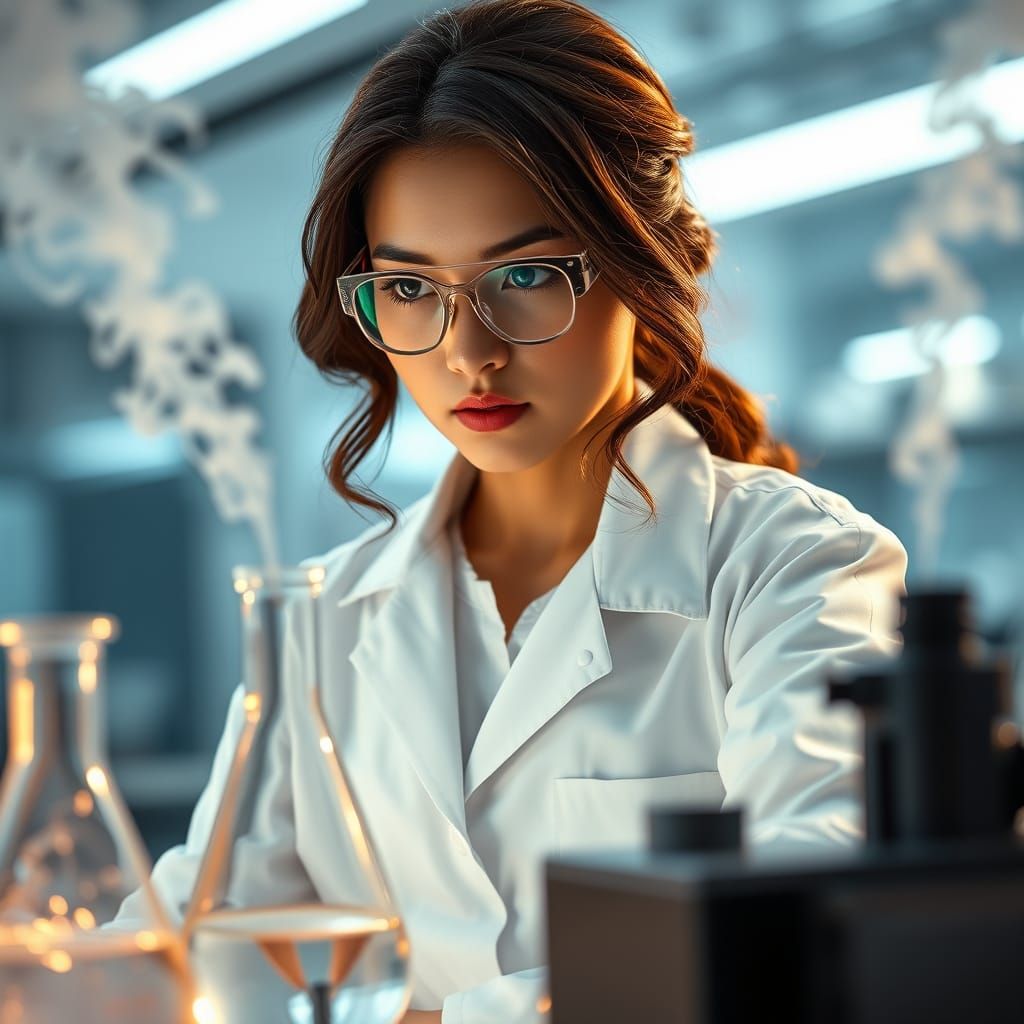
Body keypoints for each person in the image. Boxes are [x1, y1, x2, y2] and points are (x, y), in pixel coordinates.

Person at [143, 1, 909, 1021]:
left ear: (643, 262)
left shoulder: (796, 565)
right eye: (410, 288)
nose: (468, 350)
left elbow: (791, 933)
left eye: (527, 276)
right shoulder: (328, 612)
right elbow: (195, 937)